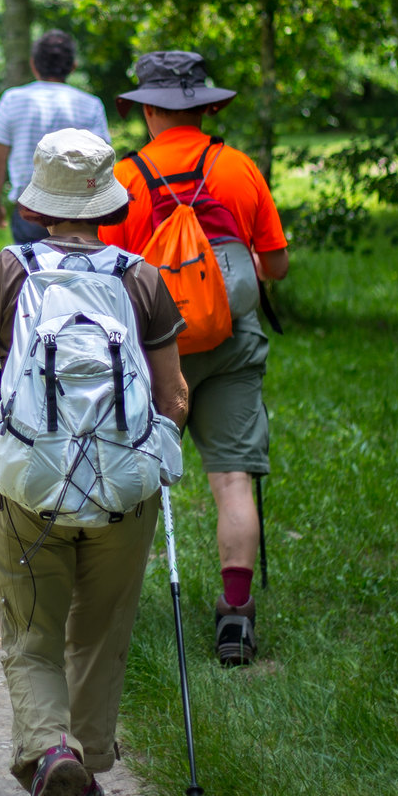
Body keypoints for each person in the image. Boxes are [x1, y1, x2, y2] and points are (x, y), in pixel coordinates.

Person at [0, 128, 188, 796]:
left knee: (31, 632)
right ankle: (83, 780)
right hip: (125, 493)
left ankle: (51, 752)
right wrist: (149, 451)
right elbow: (173, 394)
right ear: (105, 202)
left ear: (39, 203)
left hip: (29, 489)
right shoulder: (141, 278)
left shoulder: (9, 270)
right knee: (100, 632)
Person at [98, 51, 288, 667]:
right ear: (205, 108)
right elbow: (276, 264)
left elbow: (108, 274)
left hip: (153, 352)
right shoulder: (238, 168)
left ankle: (110, 608)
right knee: (232, 480)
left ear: (148, 110)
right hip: (233, 342)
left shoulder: (125, 178)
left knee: (137, 476)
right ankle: (235, 615)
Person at [0, 30, 112, 244]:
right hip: (78, 210)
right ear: (73, 66)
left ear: (33, 64)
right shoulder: (90, 104)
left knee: (30, 263)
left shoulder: (13, 99)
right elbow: (102, 164)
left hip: (29, 207)